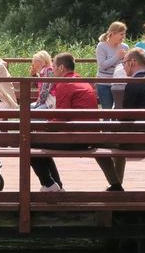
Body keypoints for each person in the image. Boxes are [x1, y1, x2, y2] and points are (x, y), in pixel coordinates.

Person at [95, 48, 145, 191]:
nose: (123, 66)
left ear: (132, 63)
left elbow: (126, 118)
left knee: (96, 143)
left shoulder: (133, 84)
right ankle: (117, 184)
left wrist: (109, 127)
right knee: (117, 139)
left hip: (139, 141)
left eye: (124, 62)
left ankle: (115, 184)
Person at [30, 53, 97, 192]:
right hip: (89, 135)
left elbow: (61, 117)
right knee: (39, 141)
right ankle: (55, 185)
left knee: (29, 142)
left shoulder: (64, 84)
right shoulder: (80, 80)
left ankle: (49, 184)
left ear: (61, 68)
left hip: (77, 138)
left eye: (53, 66)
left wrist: (44, 127)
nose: (52, 69)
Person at [96, 21, 128, 109]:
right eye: (121, 34)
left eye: (124, 34)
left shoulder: (125, 47)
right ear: (113, 34)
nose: (123, 37)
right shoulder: (101, 46)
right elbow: (102, 65)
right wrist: (117, 56)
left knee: (120, 110)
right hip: (104, 84)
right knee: (107, 111)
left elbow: (125, 66)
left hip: (120, 84)